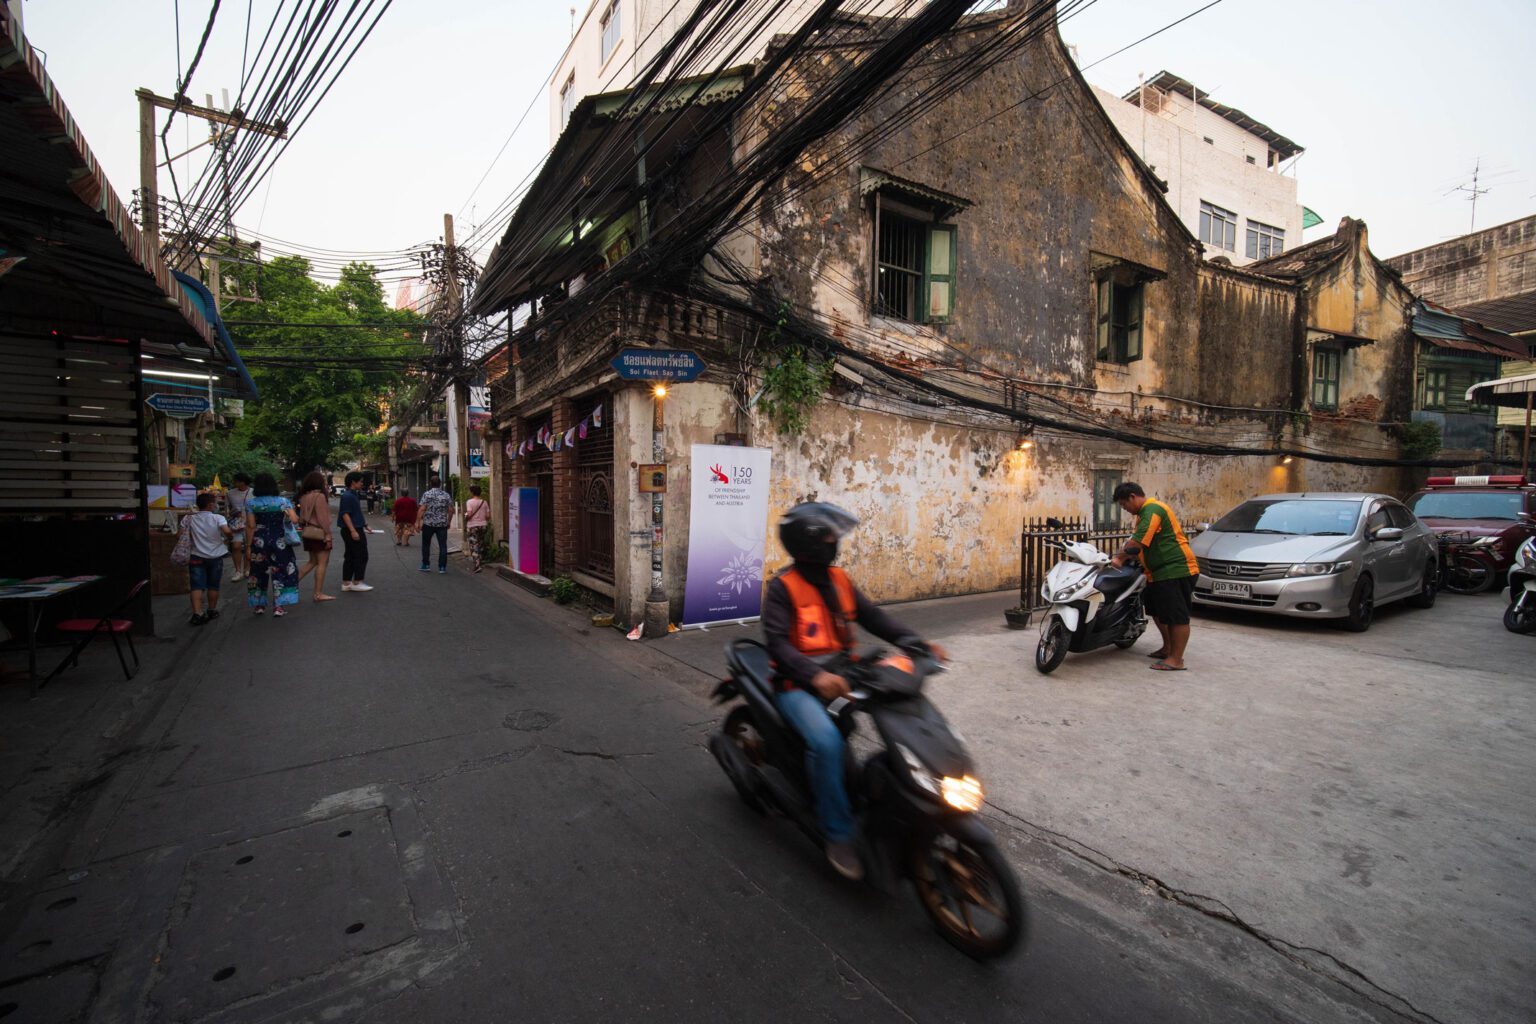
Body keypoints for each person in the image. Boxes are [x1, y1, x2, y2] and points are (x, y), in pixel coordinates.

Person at [762, 502, 947, 881]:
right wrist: (813, 675)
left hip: (846, 675)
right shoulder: (782, 588)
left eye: (834, 535)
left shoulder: (840, 580)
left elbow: (875, 618)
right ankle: (838, 833)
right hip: (797, 684)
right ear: (808, 542)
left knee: (901, 710)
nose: (835, 542)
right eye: (828, 536)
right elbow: (778, 644)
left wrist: (918, 643)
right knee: (828, 743)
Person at [1110, 482, 1200, 671]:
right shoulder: (1143, 514)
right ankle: (1168, 648)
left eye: (1124, 504)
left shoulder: (1153, 509)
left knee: (1177, 616)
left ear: (1133, 497)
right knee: (1157, 612)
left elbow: (1138, 541)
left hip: (1176, 570)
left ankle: (1176, 659)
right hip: (1157, 573)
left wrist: (1119, 558)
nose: (1124, 509)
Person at [245, 473, 302, 617]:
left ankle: (259, 605)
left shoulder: (251, 504)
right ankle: (278, 606)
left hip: (259, 541)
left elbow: (251, 526)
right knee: (281, 571)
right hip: (280, 541)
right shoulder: (283, 501)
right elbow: (295, 520)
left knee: (258, 573)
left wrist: (248, 547)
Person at [186, 492, 233, 626]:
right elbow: (227, 531)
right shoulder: (218, 518)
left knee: (196, 586)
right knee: (213, 585)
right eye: (215, 503)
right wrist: (228, 538)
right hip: (215, 556)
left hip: (196, 556)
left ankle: (197, 613)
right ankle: (211, 610)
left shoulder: (189, 519)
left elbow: (179, 535)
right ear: (211, 505)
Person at [295, 471, 337, 603]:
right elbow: (323, 519)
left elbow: (301, 518)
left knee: (312, 561)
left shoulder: (304, 497)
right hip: (319, 533)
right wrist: (328, 535)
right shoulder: (319, 496)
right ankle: (318, 594)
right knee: (322, 563)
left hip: (308, 532)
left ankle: (289, 585)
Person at [338, 471, 374, 592]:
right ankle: (357, 581)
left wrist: (365, 525)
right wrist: (353, 531)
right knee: (361, 555)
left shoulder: (352, 494)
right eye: (361, 481)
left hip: (353, 528)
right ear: (353, 482)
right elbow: (345, 514)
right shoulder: (348, 496)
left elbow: (355, 513)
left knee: (350, 555)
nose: (362, 483)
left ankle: (347, 582)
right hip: (351, 529)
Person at [416, 475, 454, 574]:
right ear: (440, 483)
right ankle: (442, 567)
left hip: (428, 523)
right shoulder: (446, 495)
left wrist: (417, 522)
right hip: (442, 524)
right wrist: (449, 521)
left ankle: (426, 565)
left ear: (430, 483)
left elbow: (422, 509)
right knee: (442, 545)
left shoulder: (427, 494)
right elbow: (450, 510)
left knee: (426, 544)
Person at [225, 473, 252, 581]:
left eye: (236, 481)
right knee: (236, 546)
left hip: (250, 523)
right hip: (236, 524)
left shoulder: (253, 492)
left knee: (248, 546)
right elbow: (227, 509)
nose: (234, 483)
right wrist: (230, 514)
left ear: (243, 482)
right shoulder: (230, 493)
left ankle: (247, 569)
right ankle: (237, 571)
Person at [464, 485, 490, 573]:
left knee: (473, 545)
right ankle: (480, 561)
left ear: (472, 492)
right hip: (483, 525)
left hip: (473, 526)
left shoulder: (469, 502)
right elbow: (488, 516)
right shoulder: (484, 502)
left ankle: (477, 565)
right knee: (480, 544)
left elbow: (469, 513)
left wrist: (466, 516)